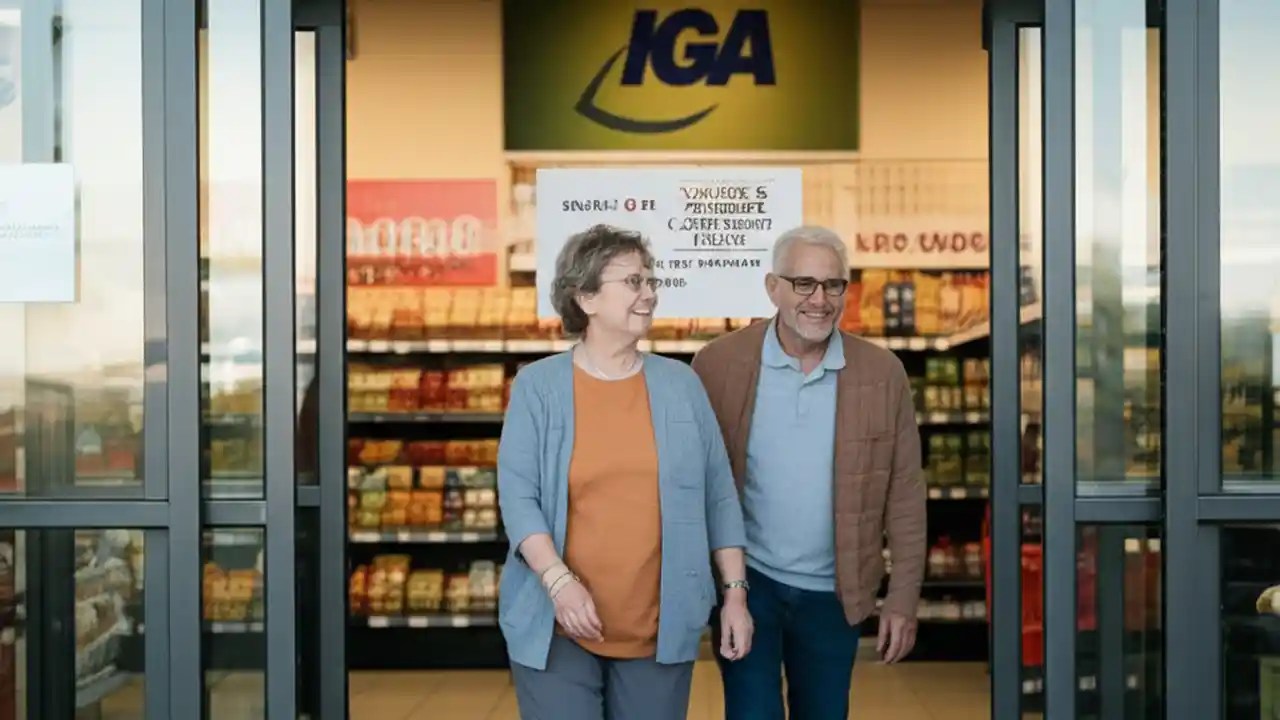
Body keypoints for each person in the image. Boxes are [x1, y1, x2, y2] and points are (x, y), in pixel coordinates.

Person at [497, 224, 753, 720]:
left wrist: (736, 597)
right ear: (586, 296)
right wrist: (558, 582)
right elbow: (518, 497)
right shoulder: (538, 387)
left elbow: (719, 497)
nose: (650, 293)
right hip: (557, 622)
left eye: (651, 280)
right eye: (633, 282)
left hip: (658, 626)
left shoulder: (681, 385)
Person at [691, 225, 926, 719]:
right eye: (803, 284)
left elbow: (905, 495)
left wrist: (902, 599)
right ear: (772, 287)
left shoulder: (882, 374)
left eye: (833, 285)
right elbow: (695, 483)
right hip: (747, 586)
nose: (819, 299)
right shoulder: (719, 364)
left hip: (835, 591)